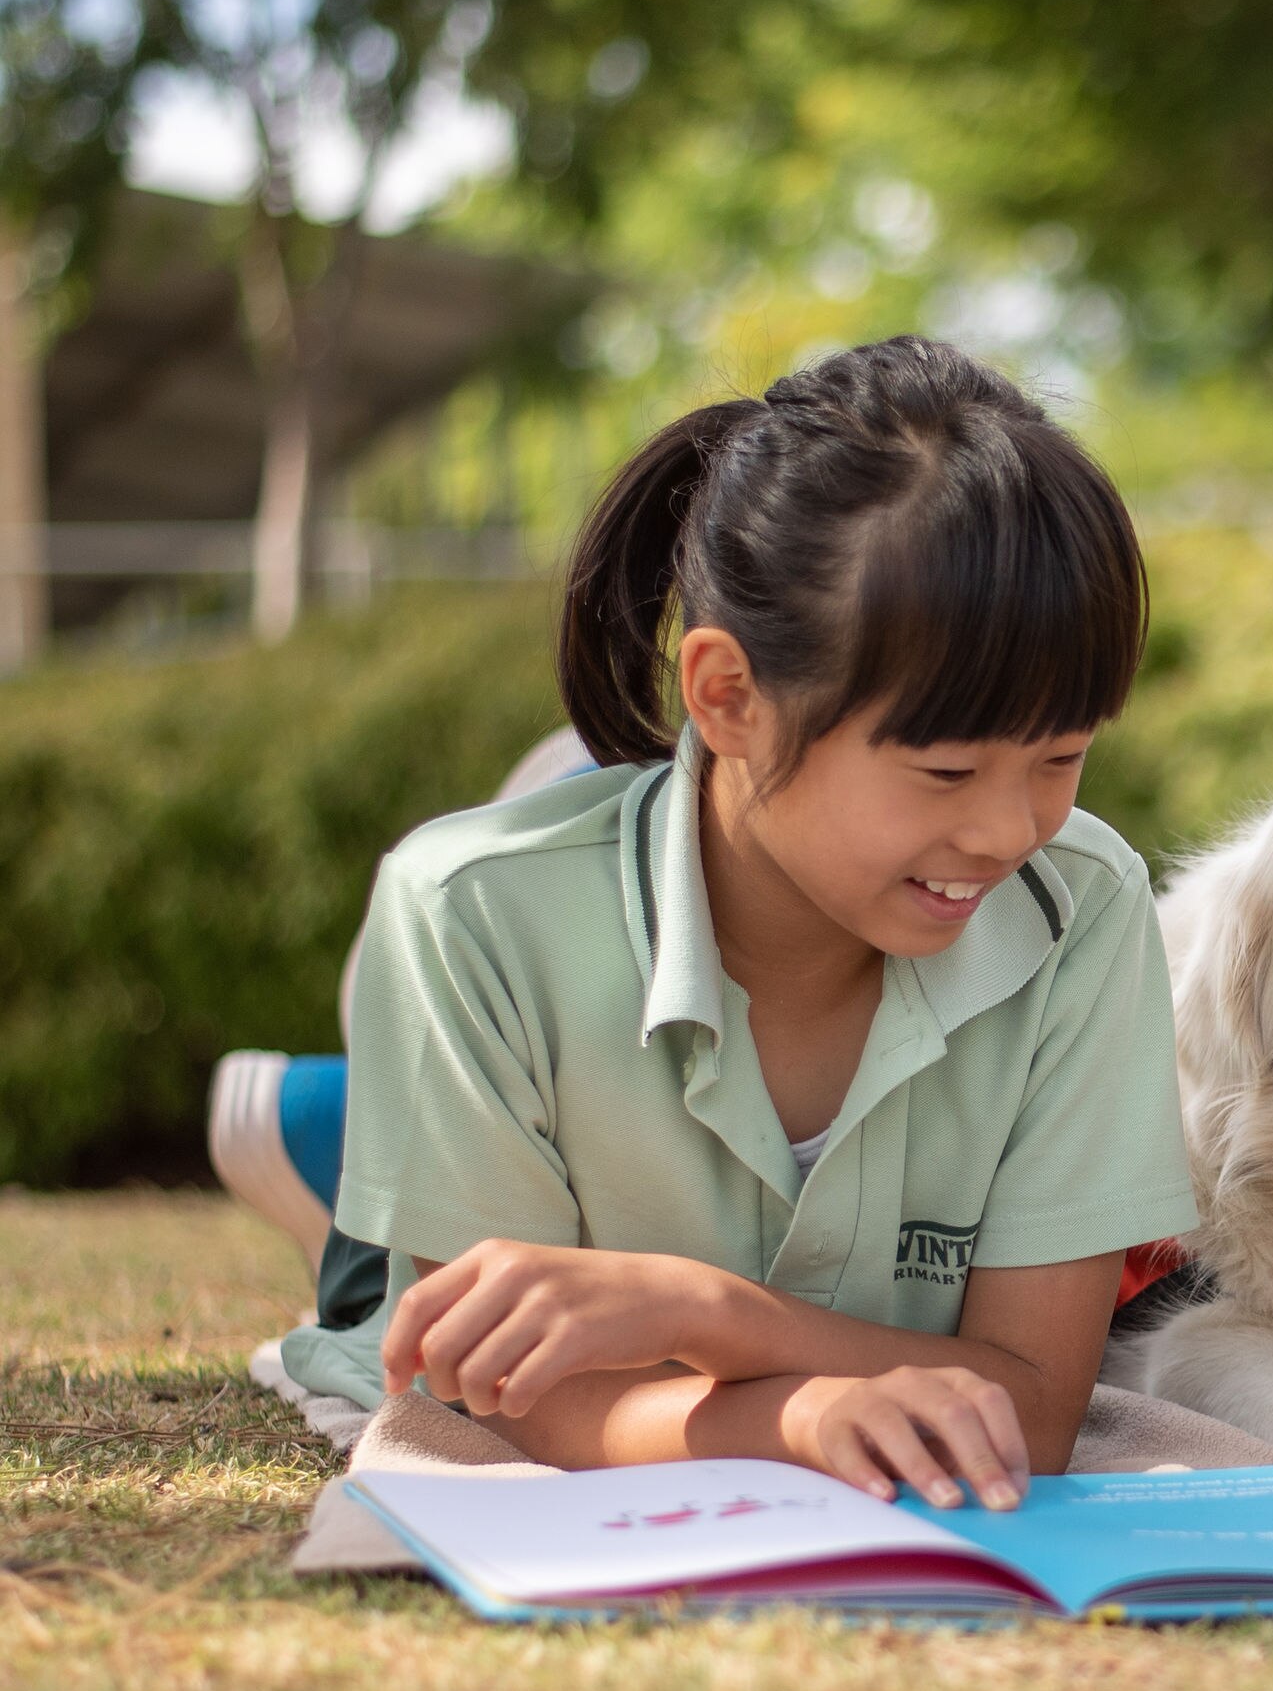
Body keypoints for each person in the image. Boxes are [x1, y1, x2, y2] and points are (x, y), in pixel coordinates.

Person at [271, 336, 1200, 1510]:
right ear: (727, 695)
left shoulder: (1080, 903)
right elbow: (493, 1390)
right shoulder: (465, 914)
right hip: (531, 944)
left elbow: (1035, 1407)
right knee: (379, 1299)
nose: (1011, 831)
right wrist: (798, 1418)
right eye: (948, 771)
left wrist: (701, 1308)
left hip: (694, 872)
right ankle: (343, 1137)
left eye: (1063, 756)